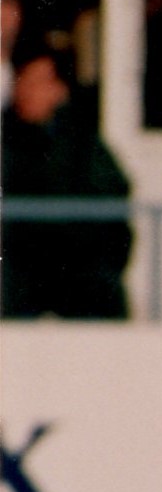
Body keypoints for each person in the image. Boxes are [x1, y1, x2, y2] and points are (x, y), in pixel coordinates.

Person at [1, 40, 134, 319]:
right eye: (22, 81)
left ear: (59, 90)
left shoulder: (81, 141)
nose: (26, 91)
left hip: (75, 265)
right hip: (20, 266)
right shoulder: (6, 136)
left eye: (38, 82)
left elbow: (114, 195)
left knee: (102, 294)